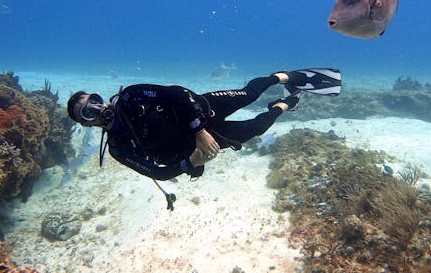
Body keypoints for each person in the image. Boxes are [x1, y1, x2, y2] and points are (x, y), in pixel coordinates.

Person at [67, 69, 341, 208]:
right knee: (256, 128)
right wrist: (192, 161)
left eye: (95, 100)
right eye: (87, 112)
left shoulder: (131, 95)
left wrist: (199, 129)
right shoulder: (117, 147)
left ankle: (283, 77)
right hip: (196, 146)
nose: (97, 108)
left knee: (249, 94)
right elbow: (157, 173)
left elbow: (174, 92)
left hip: (201, 110)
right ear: (85, 124)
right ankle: (284, 105)